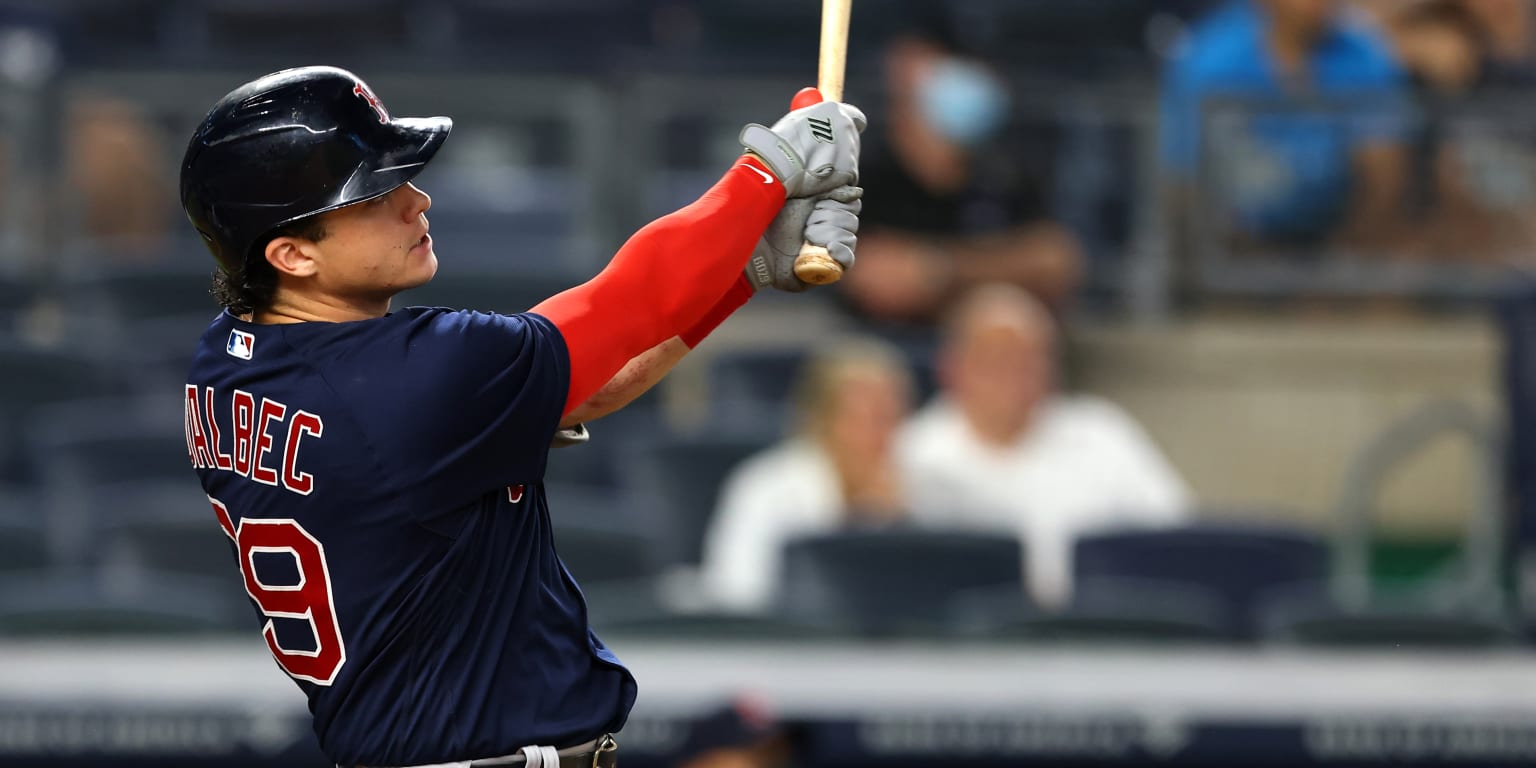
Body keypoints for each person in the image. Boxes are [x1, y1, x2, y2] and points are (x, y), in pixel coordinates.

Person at [177, 66, 865, 768]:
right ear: (290, 254)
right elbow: (632, 301)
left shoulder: (228, 359)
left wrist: (742, 268)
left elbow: (585, 386)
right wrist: (768, 172)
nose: (417, 200)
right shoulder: (410, 375)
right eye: (374, 196)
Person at [898, 284, 1189, 608]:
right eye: (998, 357)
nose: (1016, 373)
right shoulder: (909, 452)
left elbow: (1172, 539)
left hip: (1096, 633)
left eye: (1033, 357)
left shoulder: (1105, 435)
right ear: (951, 367)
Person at [837, 11, 1083, 327]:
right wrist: (999, 268)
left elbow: (1055, 261)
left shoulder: (1006, 170)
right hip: (885, 351)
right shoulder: (859, 166)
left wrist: (940, 268)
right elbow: (876, 281)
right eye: (941, 58)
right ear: (902, 65)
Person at [1160, 0, 1409, 262]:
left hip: (1339, 251)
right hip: (1235, 256)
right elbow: (1181, 186)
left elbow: (1386, 181)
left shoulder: (1365, 55)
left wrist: (1340, 264)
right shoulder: (1209, 60)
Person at [700, 337, 915, 613]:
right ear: (822, 419)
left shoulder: (931, 484)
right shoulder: (765, 487)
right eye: (863, 418)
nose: (880, 433)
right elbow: (737, 593)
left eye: (890, 416)